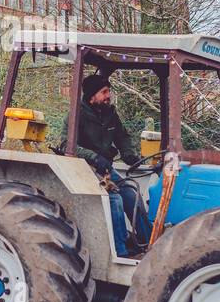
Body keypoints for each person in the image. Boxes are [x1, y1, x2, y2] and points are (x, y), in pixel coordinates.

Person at [57, 73, 152, 257]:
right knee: (114, 200)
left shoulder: (110, 114)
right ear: (92, 96)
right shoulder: (76, 115)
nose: (109, 95)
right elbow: (65, 144)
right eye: (104, 92)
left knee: (131, 195)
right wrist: (93, 156)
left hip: (105, 167)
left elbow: (123, 137)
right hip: (84, 168)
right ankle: (120, 252)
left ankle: (148, 244)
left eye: (108, 91)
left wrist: (128, 154)